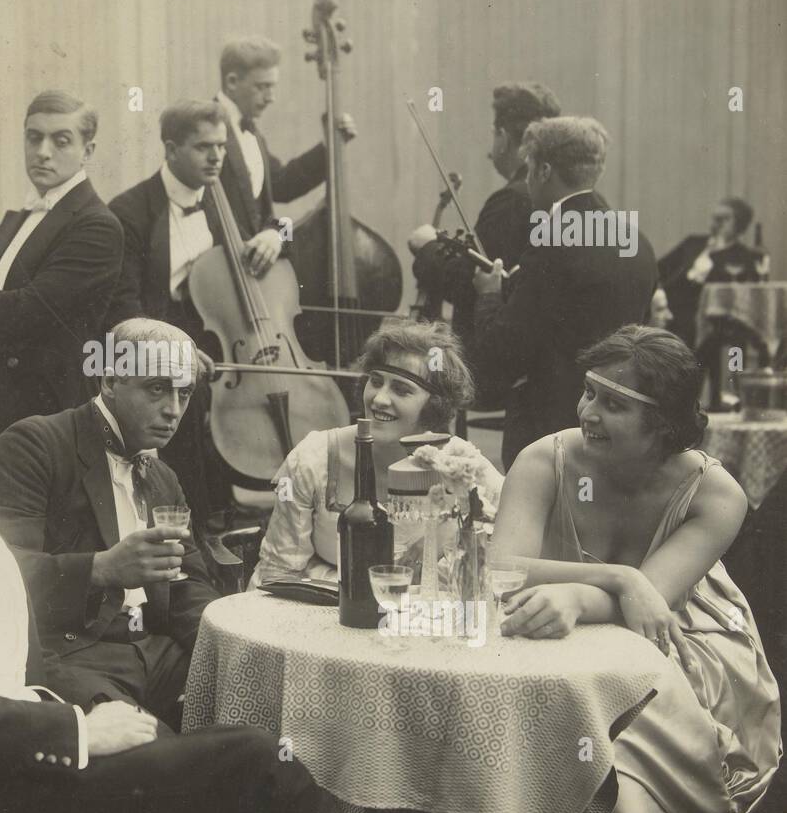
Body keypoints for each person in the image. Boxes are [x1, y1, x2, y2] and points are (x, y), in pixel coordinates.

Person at [0, 318, 357, 813]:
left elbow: (5, 660)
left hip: (23, 737)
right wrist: (77, 730)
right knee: (255, 763)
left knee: (262, 746)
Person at [489, 325, 781, 813]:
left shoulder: (717, 495)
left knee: (616, 764)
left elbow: (653, 602)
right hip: (551, 628)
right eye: (588, 392)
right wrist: (620, 577)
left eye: (614, 405)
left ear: (663, 425)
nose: (587, 414)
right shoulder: (544, 459)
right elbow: (498, 570)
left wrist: (583, 595)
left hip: (677, 641)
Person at [0, 318, 221, 729]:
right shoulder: (36, 445)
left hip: (158, 653)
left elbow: (187, 584)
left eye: (184, 393)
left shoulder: (162, 477)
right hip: (70, 655)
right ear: (109, 380)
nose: (174, 410)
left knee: (260, 716)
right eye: (157, 388)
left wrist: (222, 652)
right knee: (175, 760)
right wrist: (101, 568)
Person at [107, 99, 277, 526]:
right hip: (157, 333)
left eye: (221, 146)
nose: (217, 156)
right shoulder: (130, 211)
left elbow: (271, 224)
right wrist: (174, 346)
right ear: (170, 149)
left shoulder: (226, 194)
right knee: (190, 389)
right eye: (204, 147)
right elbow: (124, 303)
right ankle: (196, 524)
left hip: (221, 329)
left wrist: (275, 235)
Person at [252, 320, 499, 587]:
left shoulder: (462, 465)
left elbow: (502, 556)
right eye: (376, 381)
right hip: (322, 606)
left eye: (401, 390)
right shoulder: (314, 458)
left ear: (433, 406)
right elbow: (278, 571)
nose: (379, 399)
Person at [470, 117, 657, 469]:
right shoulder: (636, 240)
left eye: (528, 169)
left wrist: (490, 294)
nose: (526, 179)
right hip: (622, 426)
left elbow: (503, 349)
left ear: (543, 170)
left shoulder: (552, 241)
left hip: (553, 430)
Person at [0, 90, 122, 447]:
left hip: (48, 411)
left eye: (61, 141)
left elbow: (31, 309)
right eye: (34, 137)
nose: (43, 152)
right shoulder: (18, 219)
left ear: (87, 151)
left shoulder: (96, 225)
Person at [408, 82, 561, 405]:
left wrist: (427, 248)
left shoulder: (510, 201)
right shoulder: (558, 197)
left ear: (504, 137)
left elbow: (470, 283)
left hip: (495, 370)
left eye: (494, 135)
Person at [213, 36, 355, 239]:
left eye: (273, 87)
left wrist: (330, 146)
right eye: (262, 87)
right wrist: (275, 235)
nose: (271, 97)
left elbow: (282, 185)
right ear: (232, 82)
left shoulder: (250, 130)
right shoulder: (204, 129)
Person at [657, 197, 768, 350]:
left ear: (740, 224)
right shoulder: (692, 243)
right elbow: (659, 269)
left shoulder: (744, 257)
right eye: (715, 218)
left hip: (715, 325)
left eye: (724, 219)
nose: (716, 223)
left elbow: (748, 295)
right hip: (675, 318)